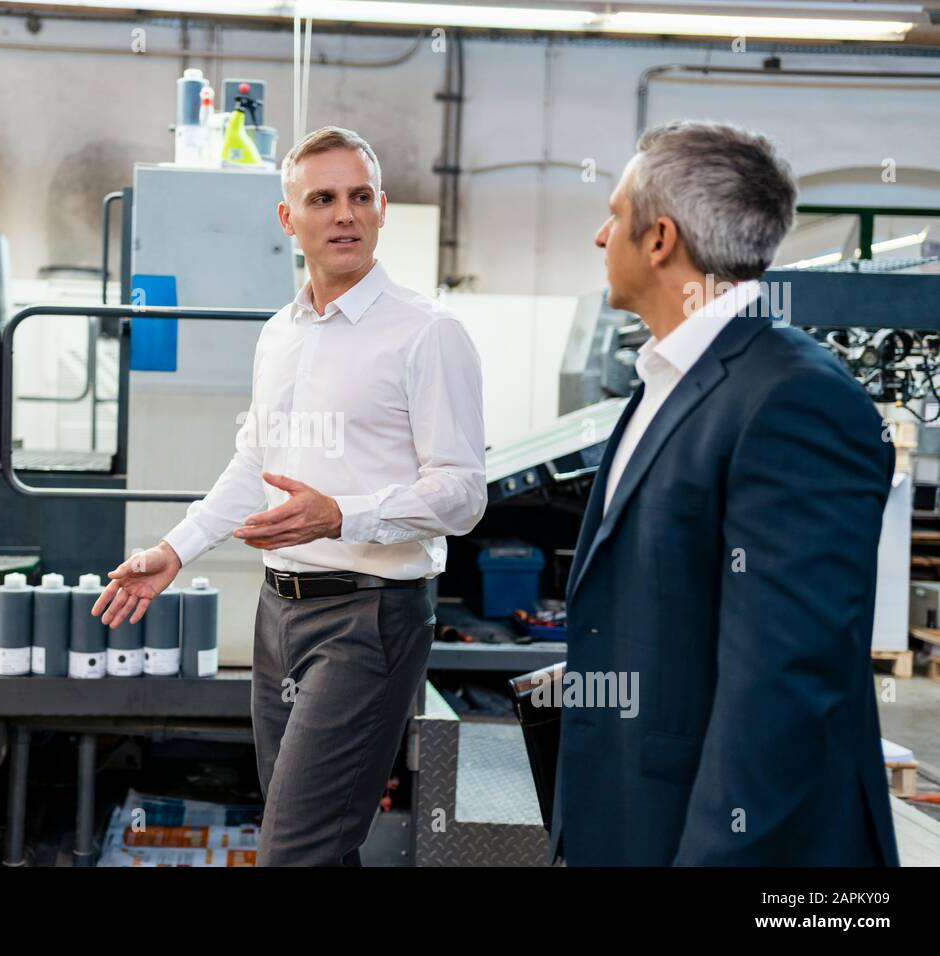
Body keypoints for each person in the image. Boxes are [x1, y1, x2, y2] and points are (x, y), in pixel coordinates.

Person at [91, 126, 486, 865]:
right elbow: (254, 461)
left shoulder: (428, 334)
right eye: (324, 198)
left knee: (293, 851)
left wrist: (345, 514)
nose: (345, 214)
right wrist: (176, 550)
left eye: (360, 197)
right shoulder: (280, 334)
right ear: (288, 220)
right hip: (279, 614)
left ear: (381, 209)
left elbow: (463, 494)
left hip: (369, 617)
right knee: (314, 843)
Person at [553, 120, 898, 865]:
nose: (598, 236)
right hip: (635, 817)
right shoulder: (671, 380)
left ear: (659, 240)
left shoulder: (794, 400)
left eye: (613, 215)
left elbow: (781, 689)